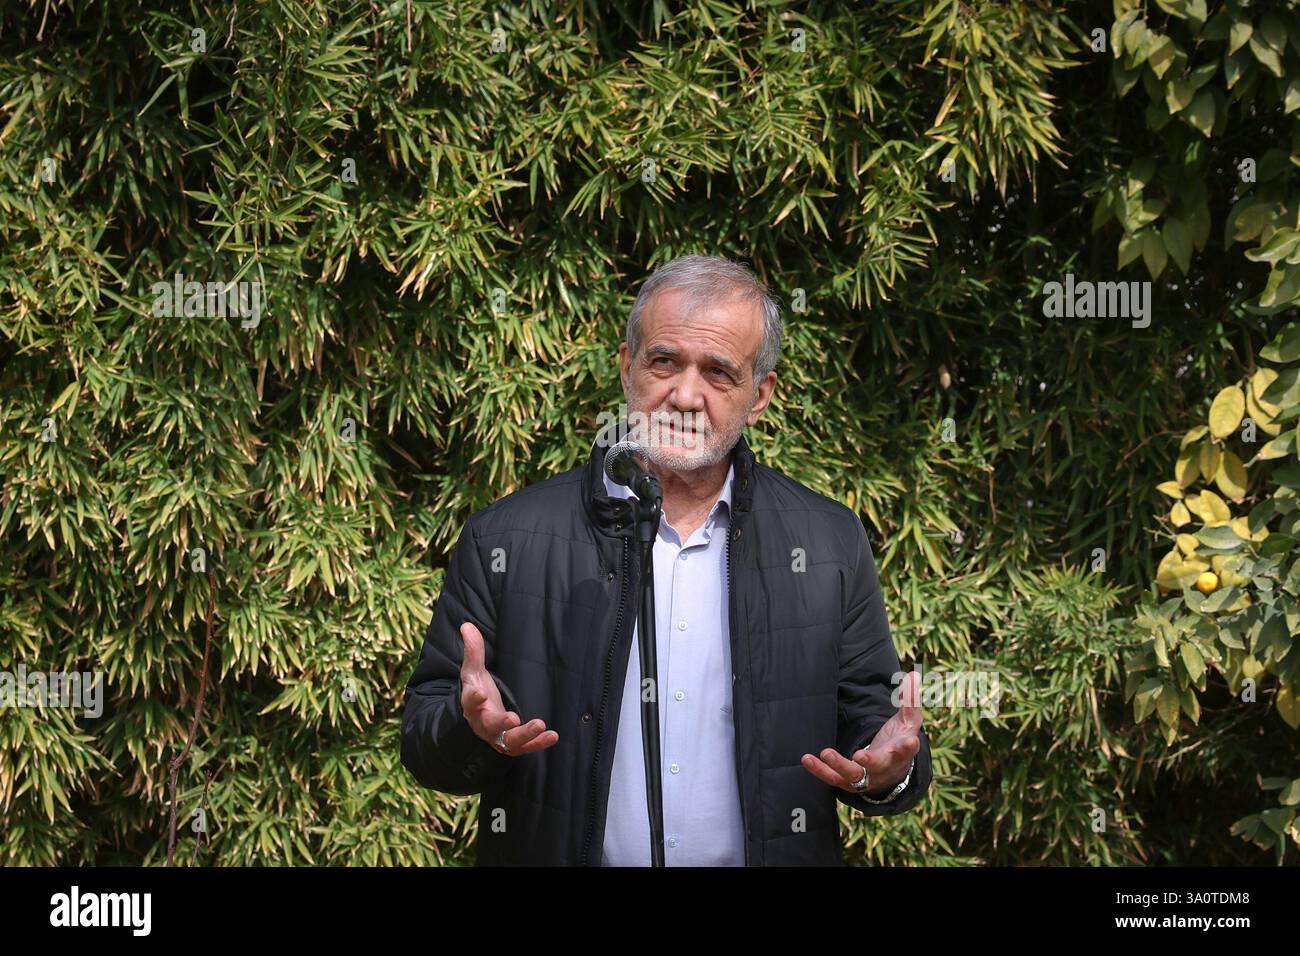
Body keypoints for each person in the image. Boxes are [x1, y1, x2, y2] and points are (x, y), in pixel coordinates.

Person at [400, 254, 930, 865]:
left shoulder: (829, 542)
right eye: (664, 361)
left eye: (718, 372)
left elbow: (875, 727)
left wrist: (885, 774)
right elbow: (425, 742)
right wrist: (470, 732)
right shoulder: (507, 537)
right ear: (627, 369)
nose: (685, 394)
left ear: (759, 396)